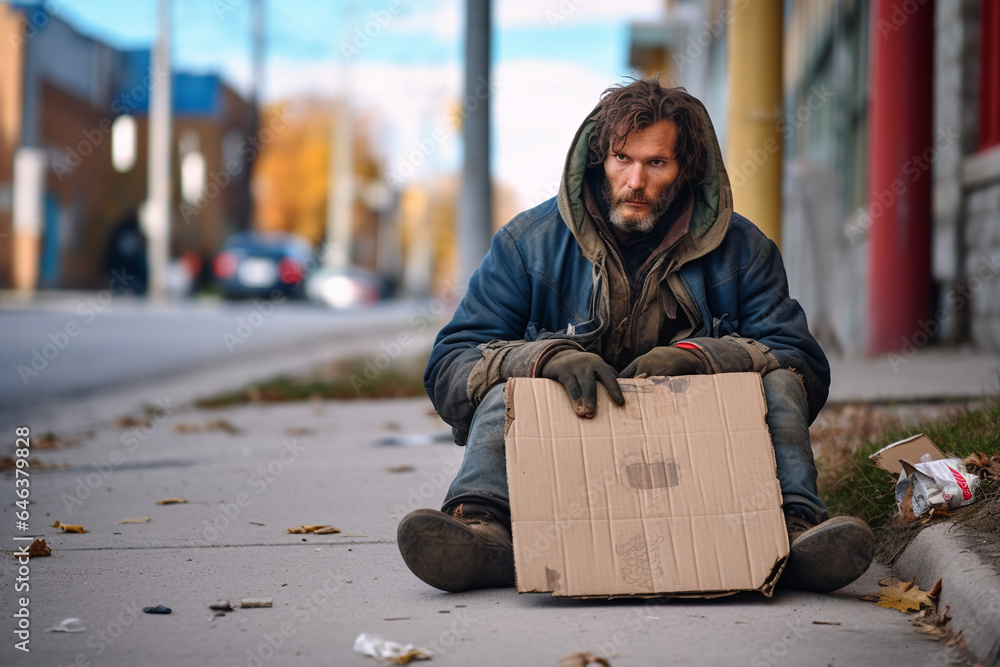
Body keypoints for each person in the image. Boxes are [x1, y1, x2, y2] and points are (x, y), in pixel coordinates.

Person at [397, 78, 874, 595]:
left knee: (778, 383)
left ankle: (793, 533)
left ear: (686, 168)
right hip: (567, 453)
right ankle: (482, 534)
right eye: (622, 159)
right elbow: (451, 362)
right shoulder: (526, 244)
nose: (635, 181)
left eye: (656, 163)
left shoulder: (744, 249)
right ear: (599, 158)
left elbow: (801, 360)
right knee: (505, 384)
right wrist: (546, 359)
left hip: (700, 454)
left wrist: (699, 357)